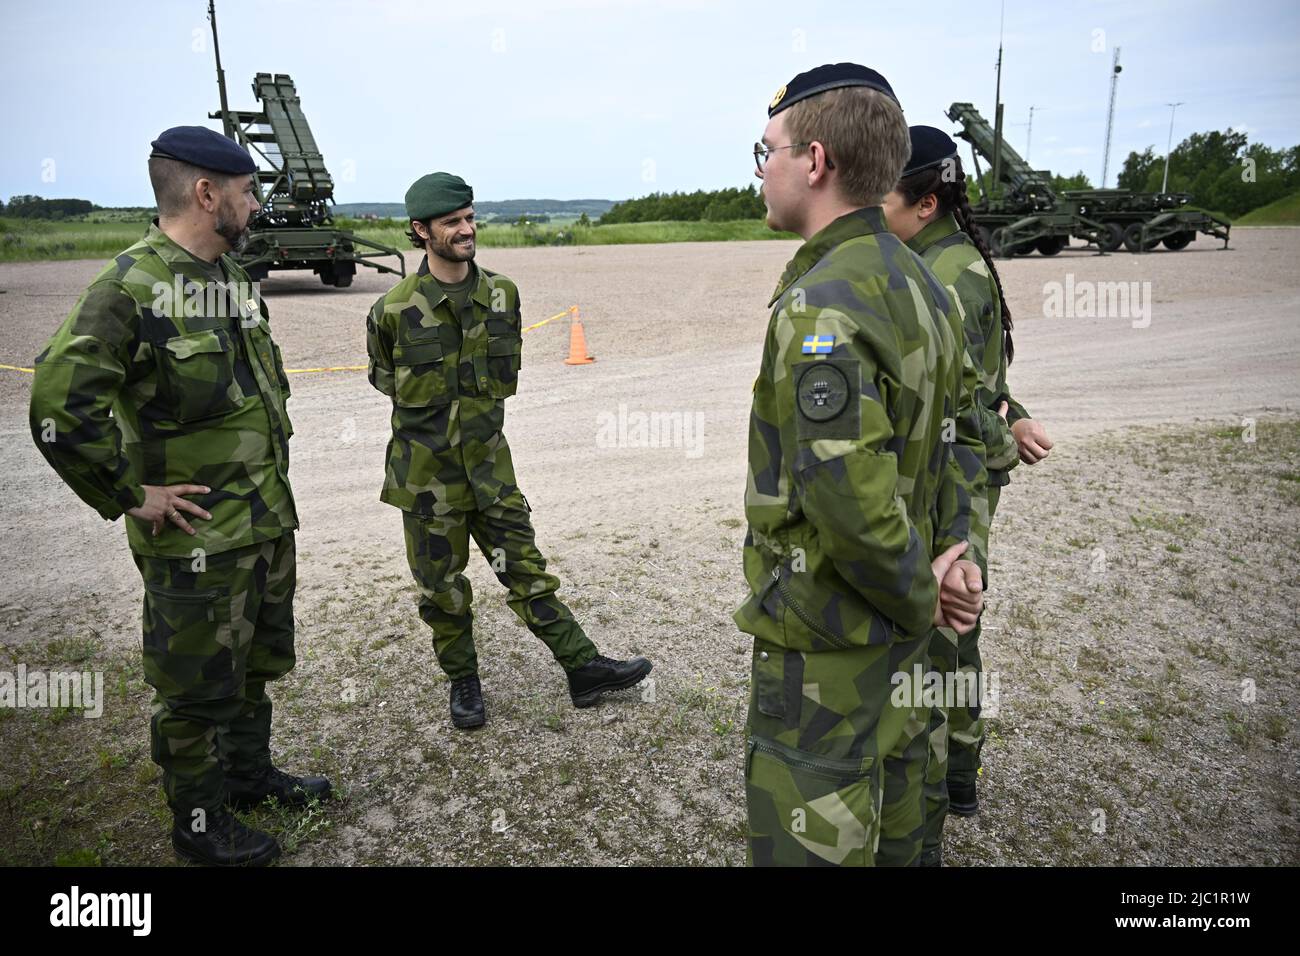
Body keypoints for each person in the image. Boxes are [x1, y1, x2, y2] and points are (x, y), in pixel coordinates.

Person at [28, 125, 330, 867]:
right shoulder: (128, 289)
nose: (256, 205)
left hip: (260, 525)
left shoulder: (227, 277)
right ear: (206, 193)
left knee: (254, 669)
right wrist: (131, 493)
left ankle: (248, 778)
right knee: (195, 690)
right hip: (196, 543)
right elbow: (57, 410)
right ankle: (198, 825)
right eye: (247, 191)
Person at [738, 65, 986, 867]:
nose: (761, 169)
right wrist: (952, 564)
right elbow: (958, 442)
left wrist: (922, 590)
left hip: (832, 650)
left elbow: (850, 503)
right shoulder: (924, 282)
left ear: (813, 162)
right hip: (909, 649)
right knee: (906, 837)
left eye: (764, 149)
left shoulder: (823, 303)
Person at [366, 172, 652, 729]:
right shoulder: (393, 310)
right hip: (426, 481)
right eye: (452, 222)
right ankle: (464, 684)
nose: (466, 229)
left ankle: (583, 667)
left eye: (470, 217)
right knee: (443, 592)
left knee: (526, 572)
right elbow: (384, 379)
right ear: (421, 230)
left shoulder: (503, 295)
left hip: (492, 472)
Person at [883, 125, 1054, 860]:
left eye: (881, 194)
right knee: (957, 616)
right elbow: (989, 383)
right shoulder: (947, 256)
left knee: (949, 619)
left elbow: (951, 395)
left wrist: (995, 419)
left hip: (955, 471)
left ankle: (951, 775)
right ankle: (957, 770)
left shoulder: (943, 276)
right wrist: (1010, 414)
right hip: (968, 458)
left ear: (924, 203)